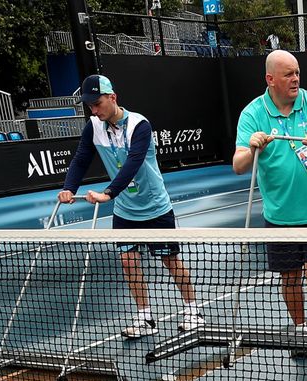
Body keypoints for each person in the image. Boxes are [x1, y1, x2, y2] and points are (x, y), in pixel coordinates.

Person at [58, 74, 202, 339]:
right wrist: (69, 187)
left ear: (112, 98)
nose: (94, 109)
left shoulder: (139, 125)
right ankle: (145, 318)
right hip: (125, 211)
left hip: (155, 208)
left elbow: (134, 162)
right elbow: (81, 159)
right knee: (128, 262)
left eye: (97, 103)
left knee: (170, 260)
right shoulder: (93, 126)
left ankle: (194, 310)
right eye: (89, 105)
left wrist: (108, 193)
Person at [232, 50, 307, 364]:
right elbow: (239, 165)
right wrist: (253, 146)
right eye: (287, 74)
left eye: (297, 72)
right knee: (290, 278)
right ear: (270, 79)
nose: (295, 79)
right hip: (279, 216)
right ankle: (300, 331)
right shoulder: (253, 114)